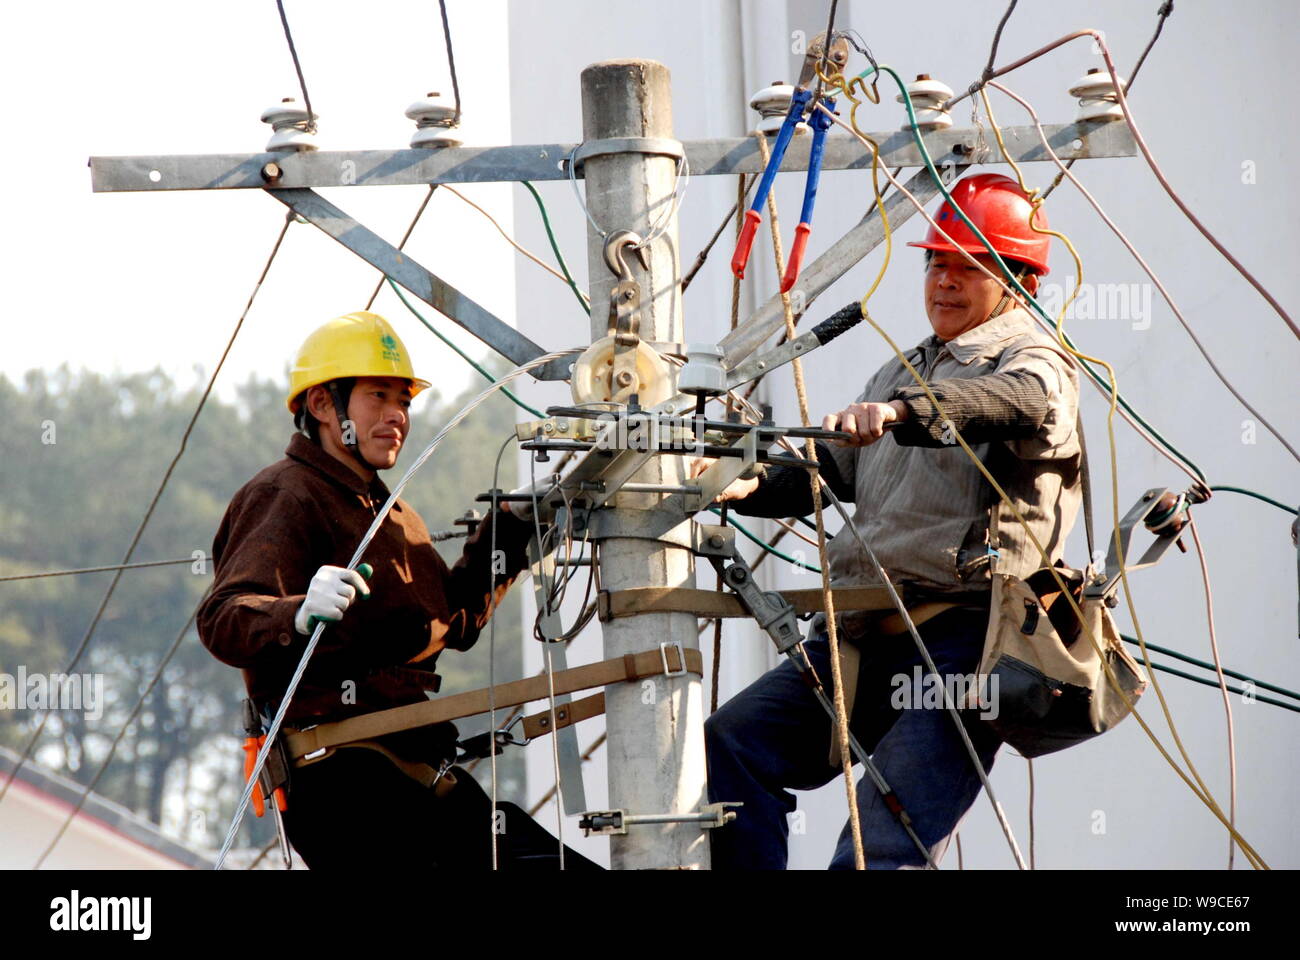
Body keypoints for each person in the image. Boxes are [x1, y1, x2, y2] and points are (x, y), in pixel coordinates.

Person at [703, 173, 1082, 869]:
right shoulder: (900, 370)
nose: (943, 281)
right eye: (936, 262)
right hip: (861, 640)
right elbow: (826, 476)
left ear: (1016, 276)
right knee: (734, 741)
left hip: (960, 641)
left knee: (878, 846)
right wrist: (735, 483)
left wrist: (907, 413)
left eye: (967, 266)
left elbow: (1016, 403)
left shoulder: (1035, 360)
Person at [198, 310, 598, 870]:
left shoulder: (392, 516)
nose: (397, 416)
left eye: (404, 401)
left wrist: (511, 521)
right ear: (322, 406)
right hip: (344, 787)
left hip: (412, 777)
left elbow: (452, 622)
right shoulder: (284, 494)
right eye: (378, 397)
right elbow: (223, 618)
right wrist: (294, 613)